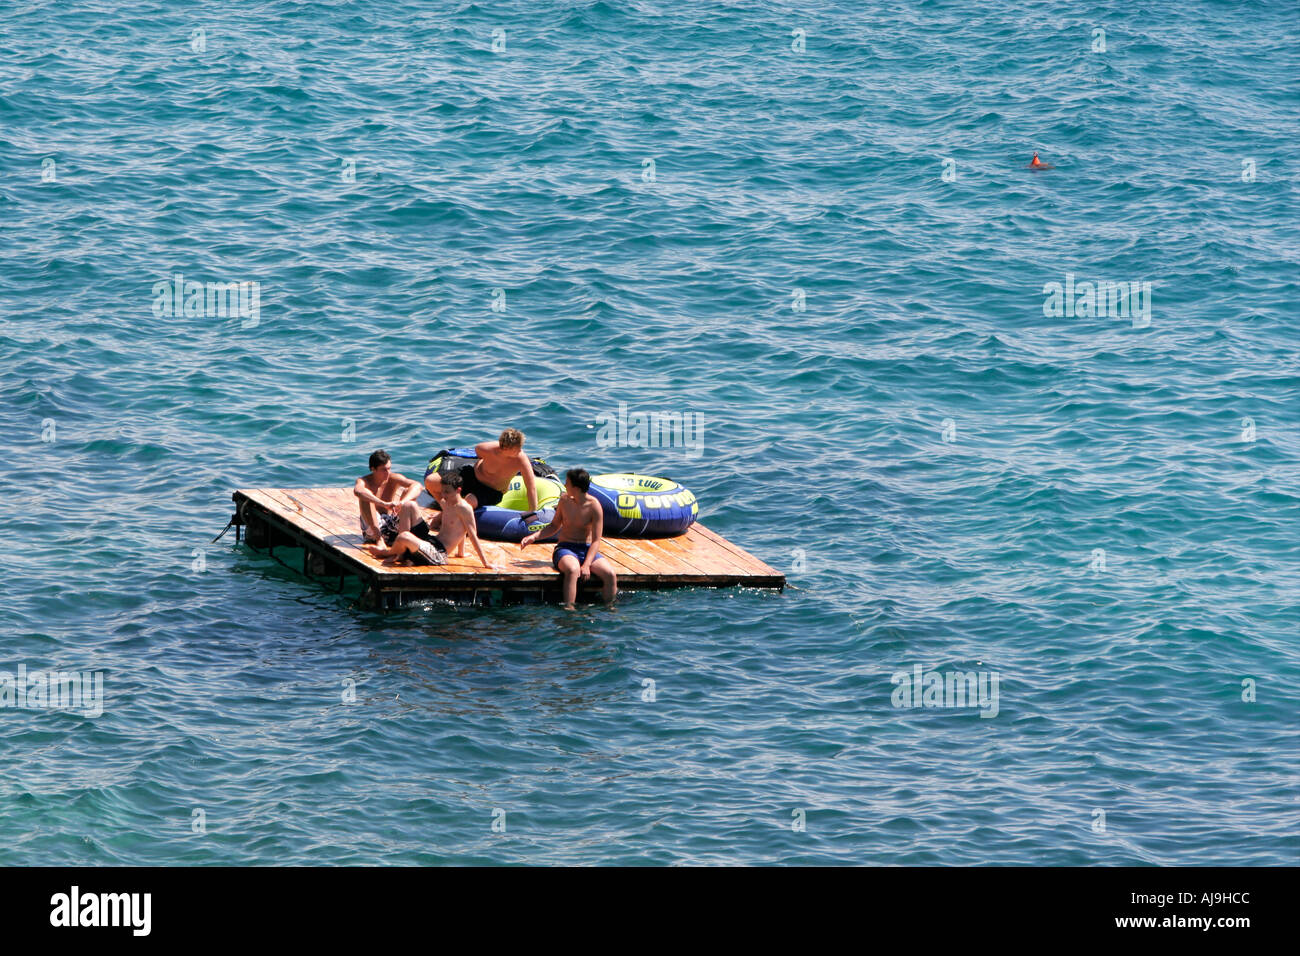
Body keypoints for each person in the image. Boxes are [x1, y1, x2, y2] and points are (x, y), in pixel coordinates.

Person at [520, 467, 617, 608]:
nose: (564, 485)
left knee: (610, 574)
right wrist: (533, 537)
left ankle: (610, 608)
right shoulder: (564, 500)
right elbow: (554, 526)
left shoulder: (594, 506)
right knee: (573, 570)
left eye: (567, 483)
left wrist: (587, 565)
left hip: (588, 549)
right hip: (566, 548)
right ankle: (569, 608)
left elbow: (596, 541)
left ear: (576, 488)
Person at [366, 472, 496, 569]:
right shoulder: (447, 503)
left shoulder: (465, 508)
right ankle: (401, 554)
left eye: (447, 492)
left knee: (404, 536)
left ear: (458, 490)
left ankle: (388, 552)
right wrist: (460, 553)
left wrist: (486, 563)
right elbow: (457, 527)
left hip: (439, 554)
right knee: (408, 505)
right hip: (431, 541)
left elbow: (472, 534)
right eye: (442, 491)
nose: (443, 495)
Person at [424, 427, 538, 512]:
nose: (520, 451)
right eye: (517, 449)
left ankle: (450, 513)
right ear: (506, 448)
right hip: (471, 476)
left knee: (468, 502)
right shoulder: (486, 449)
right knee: (431, 481)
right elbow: (477, 453)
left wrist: (533, 511)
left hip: (491, 491)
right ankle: (446, 509)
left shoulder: (521, 460)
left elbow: (531, 486)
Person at [354, 449, 425, 545]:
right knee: (366, 495)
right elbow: (358, 491)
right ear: (373, 469)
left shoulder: (393, 478)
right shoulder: (364, 481)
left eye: (389, 468)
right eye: (383, 470)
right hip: (373, 531)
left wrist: (402, 502)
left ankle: (402, 538)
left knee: (408, 492)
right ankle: (379, 539)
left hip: (391, 525)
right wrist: (383, 504)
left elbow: (417, 486)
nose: (388, 473)